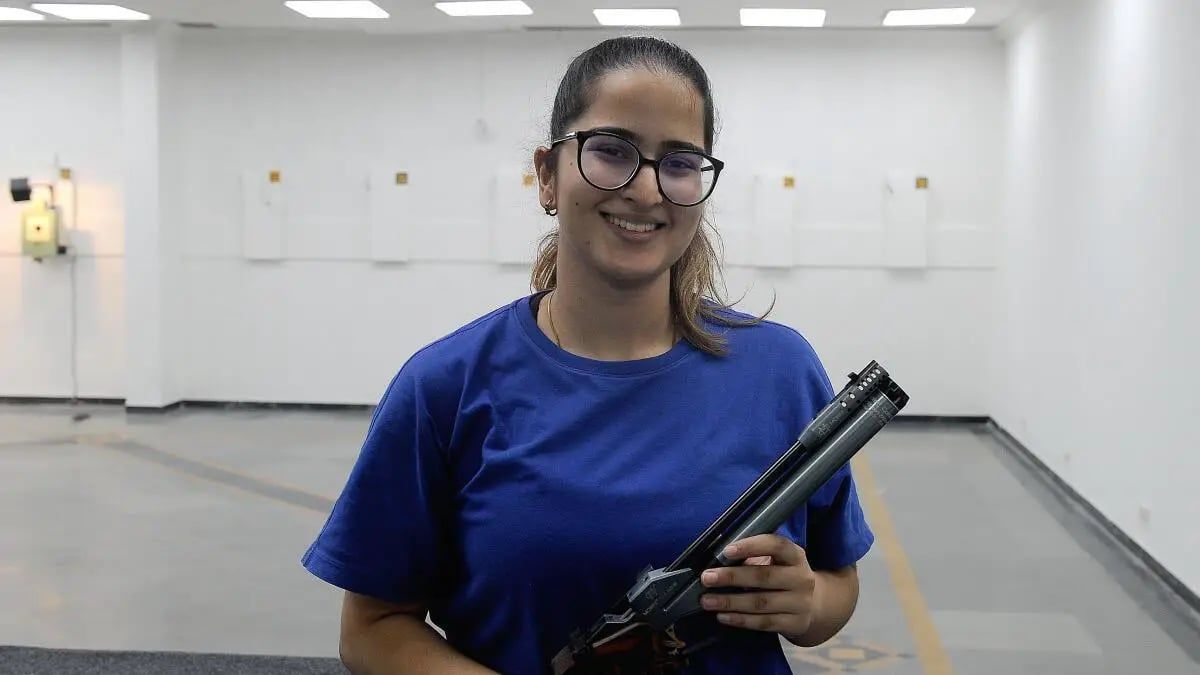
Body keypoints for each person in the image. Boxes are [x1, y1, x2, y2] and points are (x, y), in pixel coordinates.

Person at [301, 35, 873, 674]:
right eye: (611, 152)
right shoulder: (444, 386)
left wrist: (807, 603)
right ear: (547, 174)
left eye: (679, 162)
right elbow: (373, 629)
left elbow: (836, 585)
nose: (647, 189)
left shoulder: (782, 371)